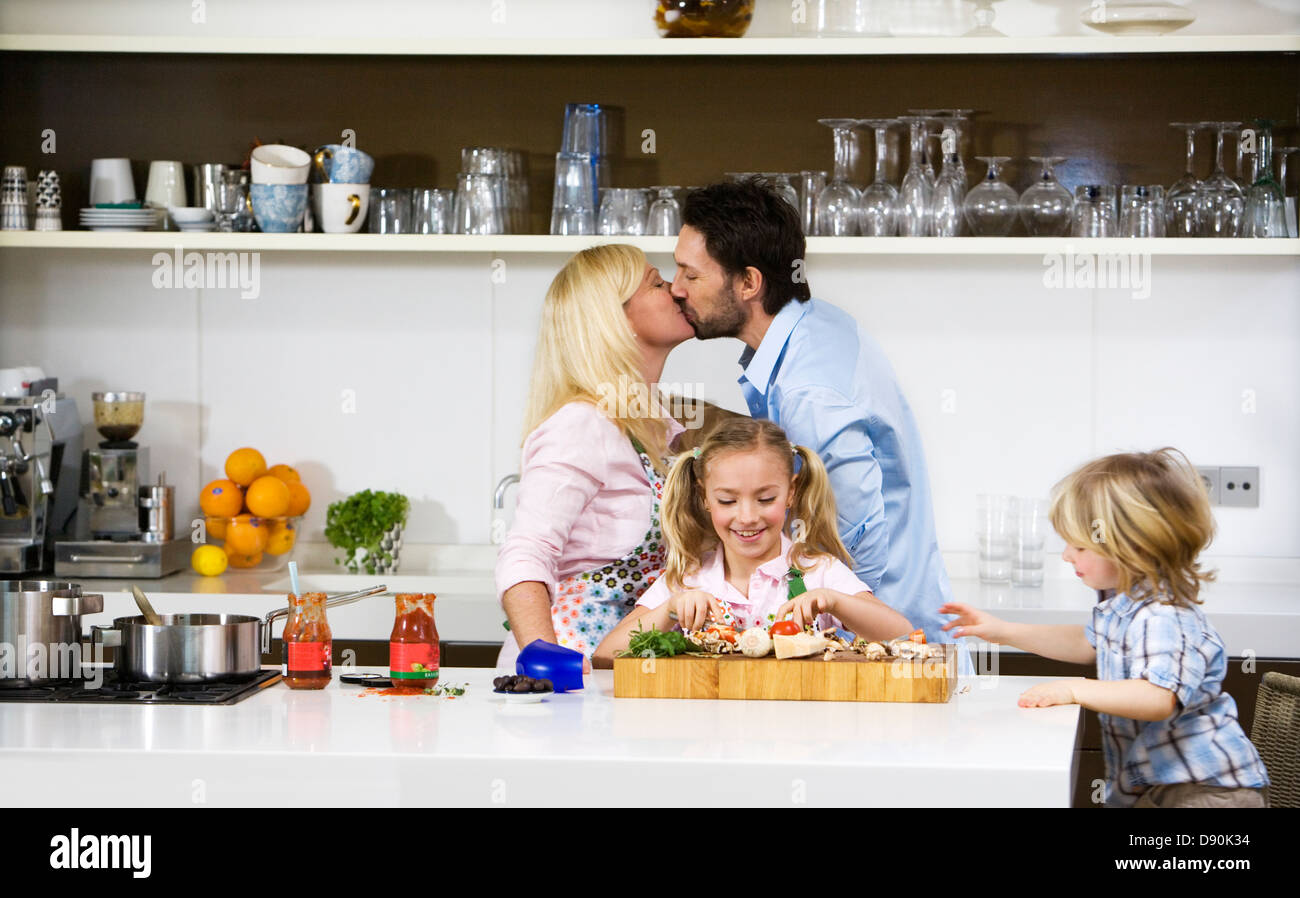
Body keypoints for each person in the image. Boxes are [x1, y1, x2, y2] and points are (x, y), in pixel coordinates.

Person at [670, 178, 958, 655]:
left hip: (886, 652)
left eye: (691, 275)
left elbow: (850, 544)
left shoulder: (809, 393)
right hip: (904, 628)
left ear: (748, 282)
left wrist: (830, 646)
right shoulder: (816, 324)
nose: (677, 289)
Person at [940, 449, 1270, 808]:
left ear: (1131, 546)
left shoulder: (1162, 614)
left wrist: (1075, 689)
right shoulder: (1124, 605)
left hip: (1206, 793)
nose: (1066, 555)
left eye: (1078, 545)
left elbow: (1157, 697)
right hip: (1168, 789)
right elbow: (1087, 642)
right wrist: (1003, 631)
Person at [495, 244, 696, 667]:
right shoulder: (582, 425)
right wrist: (544, 661)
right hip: (573, 669)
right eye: (657, 284)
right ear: (615, 318)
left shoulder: (651, 426)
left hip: (624, 671)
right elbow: (526, 551)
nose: (678, 290)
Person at [594, 418, 912, 665]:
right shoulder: (688, 580)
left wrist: (834, 601)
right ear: (705, 496)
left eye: (765, 499)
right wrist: (670, 610)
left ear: (791, 492)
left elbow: (903, 635)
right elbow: (606, 655)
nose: (746, 517)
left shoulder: (817, 571)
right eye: (728, 501)